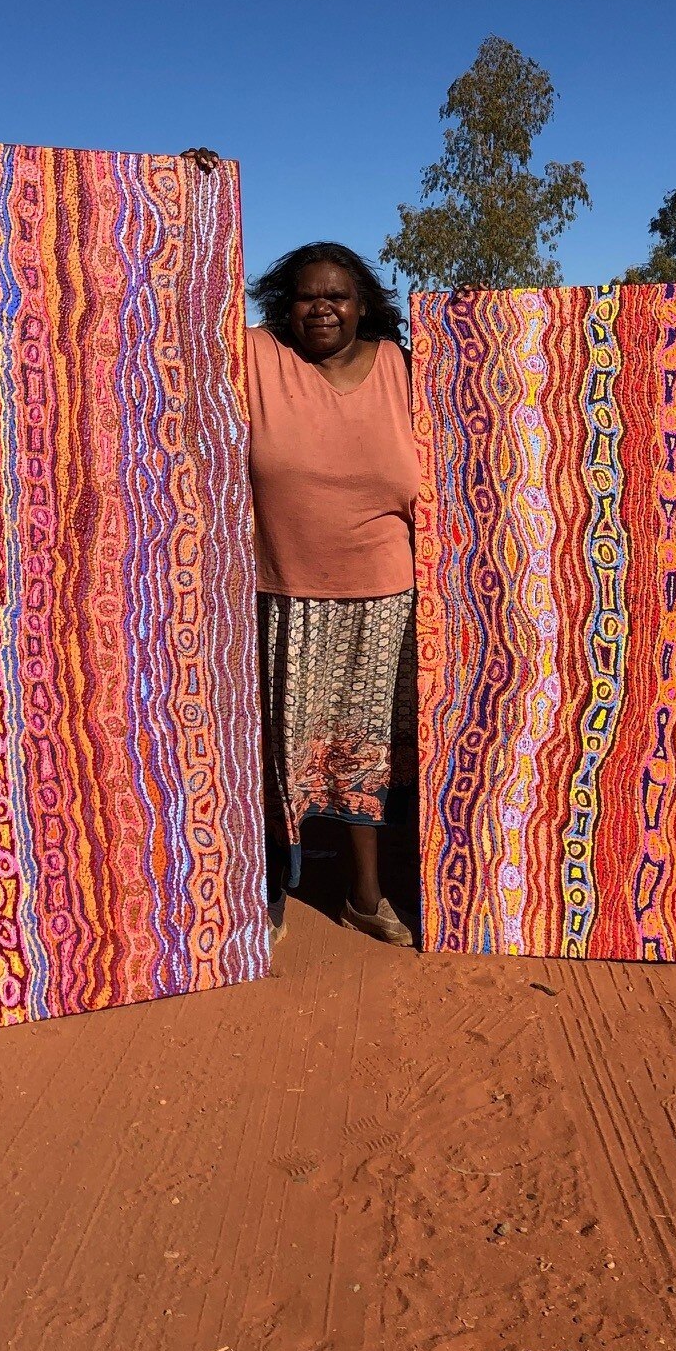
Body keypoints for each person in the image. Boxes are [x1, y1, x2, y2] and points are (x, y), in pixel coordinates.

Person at [246, 242, 420, 949]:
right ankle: (269, 891)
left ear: (364, 306)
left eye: (337, 297)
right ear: (285, 307)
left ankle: (364, 897)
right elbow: (176, 305)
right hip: (282, 591)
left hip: (383, 597)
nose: (321, 308)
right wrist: (182, 201)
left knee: (362, 752)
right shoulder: (259, 358)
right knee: (277, 750)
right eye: (306, 296)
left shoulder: (403, 370)